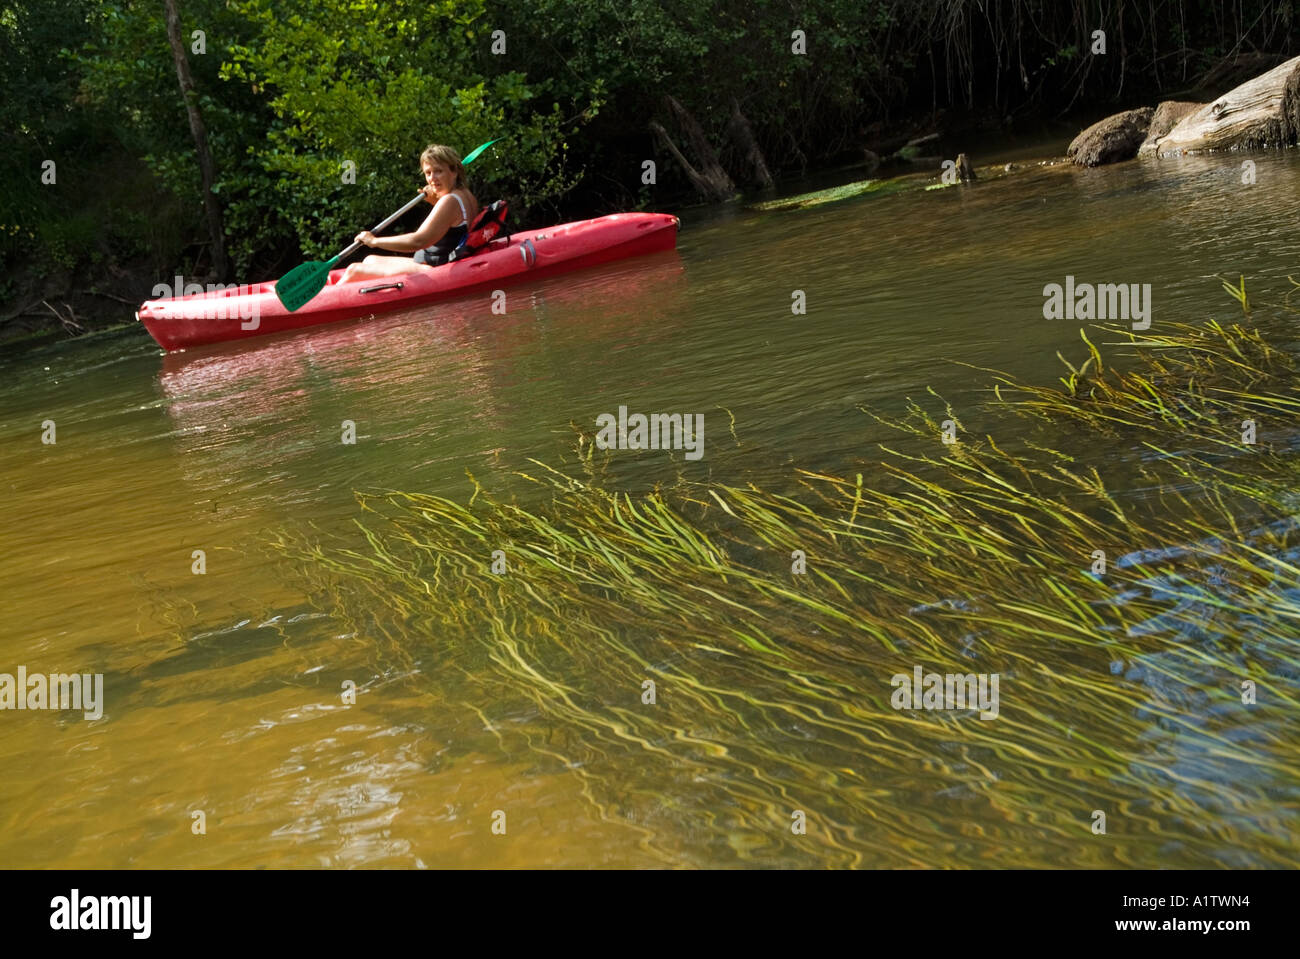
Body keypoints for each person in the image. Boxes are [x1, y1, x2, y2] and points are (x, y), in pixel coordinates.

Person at [340, 145, 480, 282]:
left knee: (354, 270)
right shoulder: (466, 195)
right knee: (369, 260)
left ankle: (320, 304)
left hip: (435, 270)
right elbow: (451, 226)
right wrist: (435, 202)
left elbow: (418, 241)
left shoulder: (450, 200)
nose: (432, 178)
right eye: (428, 173)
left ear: (454, 171)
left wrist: (374, 241)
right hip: (430, 262)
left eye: (438, 171)